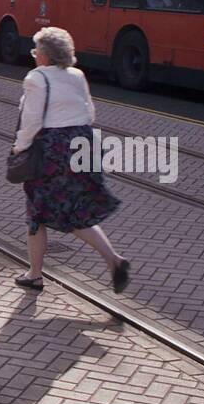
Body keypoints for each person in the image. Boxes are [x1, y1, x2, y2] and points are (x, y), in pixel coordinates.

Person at [11, 26, 130, 294]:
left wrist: (20, 148)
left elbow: (31, 121)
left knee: (39, 211)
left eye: (36, 50)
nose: (34, 55)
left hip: (52, 150)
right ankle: (113, 260)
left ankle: (35, 275)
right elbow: (90, 113)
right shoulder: (77, 75)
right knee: (77, 209)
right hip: (82, 144)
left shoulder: (37, 78)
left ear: (46, 54)